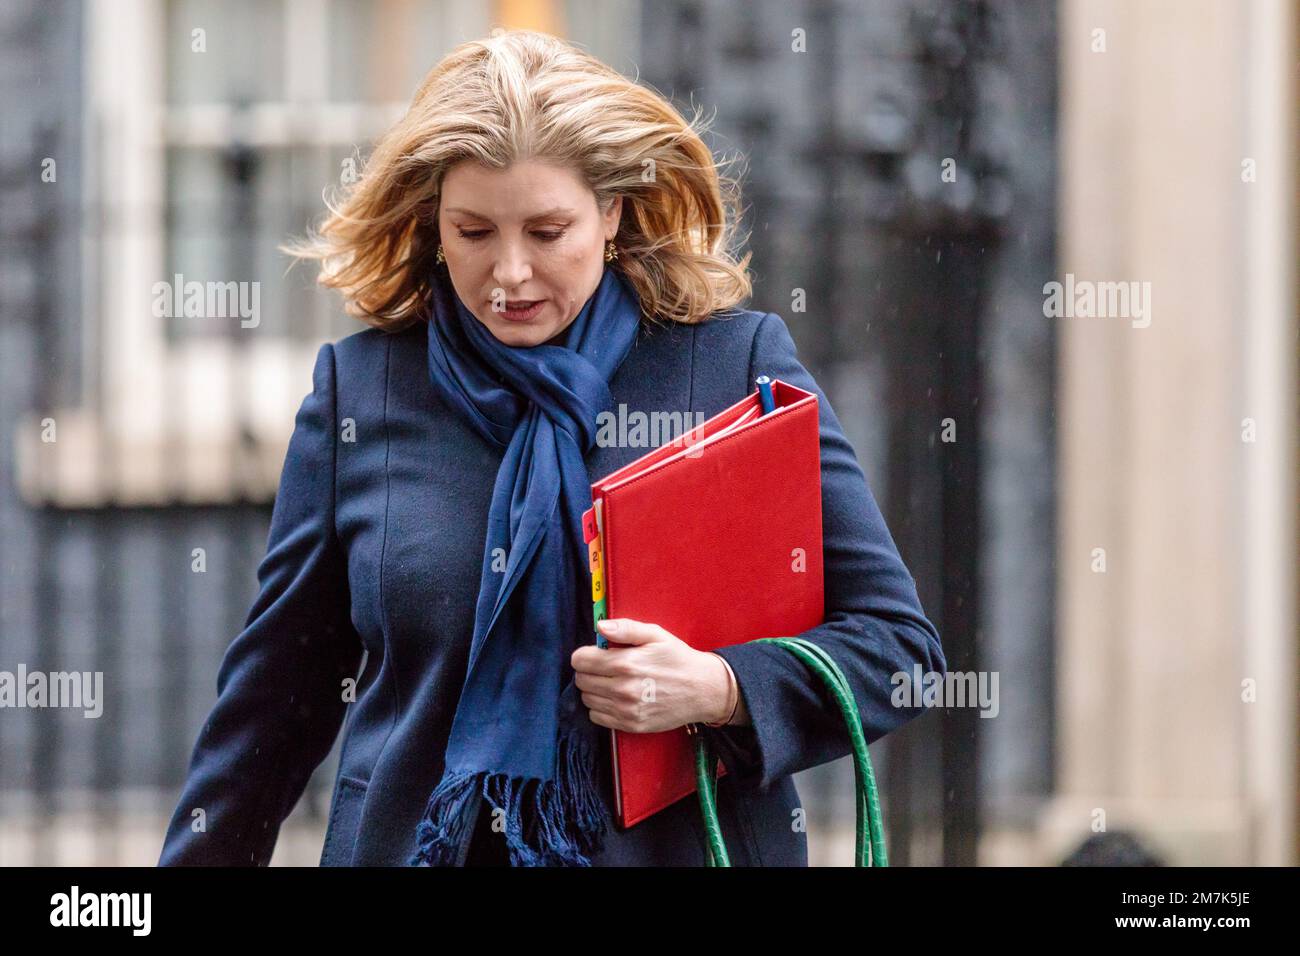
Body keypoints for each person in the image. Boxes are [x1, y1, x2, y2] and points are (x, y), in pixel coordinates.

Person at [157, 28, 945, 868]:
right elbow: (275, 705)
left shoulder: (730, 368)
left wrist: (719, 689)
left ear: (610, 213)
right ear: (433, 224)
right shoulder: (364, 393)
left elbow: (898, 650)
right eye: (472, 232)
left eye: (546, 230)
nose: (509, 274)